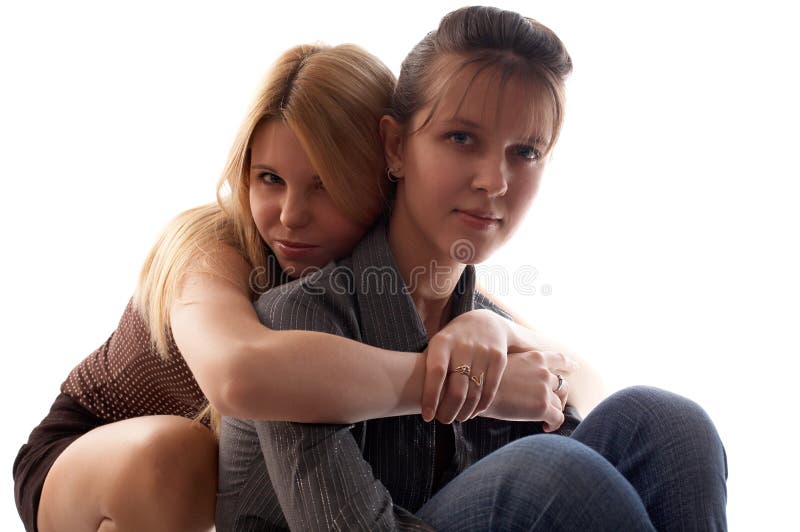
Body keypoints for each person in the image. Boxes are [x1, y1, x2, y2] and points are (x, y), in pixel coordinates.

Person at [13, 42, 597, 532]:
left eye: (325, 186)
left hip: (220, 490)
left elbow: (585, 380)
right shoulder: (213, 246)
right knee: (175, 456)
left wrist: (486, 328)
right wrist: (462, 384)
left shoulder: (379, 269)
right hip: (96, 457)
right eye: (269, 179)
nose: (291, 216)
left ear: (386, 175)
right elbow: (241, 375)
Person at [216, 6, 729, 531]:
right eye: (461, 138)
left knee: (668, 425)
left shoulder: (483, 329)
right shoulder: (303, 320)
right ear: (396, 146)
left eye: (525, 151)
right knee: (550, 473)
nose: (495, 180)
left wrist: (499, 330)